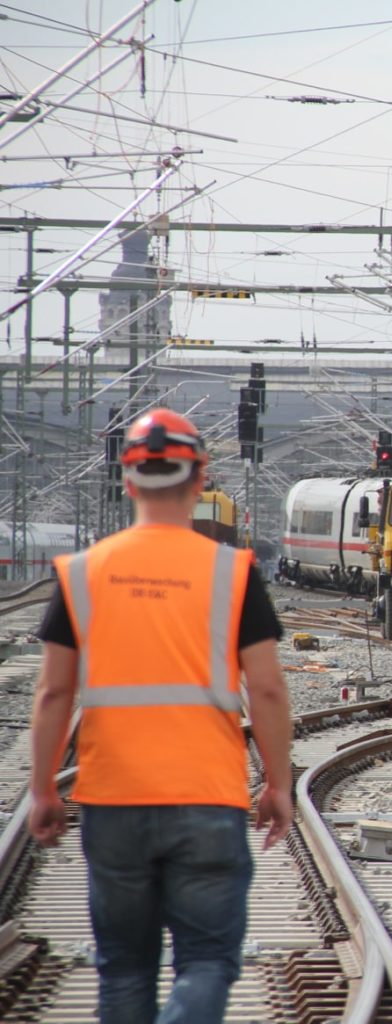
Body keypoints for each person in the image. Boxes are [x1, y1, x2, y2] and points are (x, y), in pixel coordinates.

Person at [28, 407, 293, 1024]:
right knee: (206, 961)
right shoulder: (233, 573)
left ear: (127, 482)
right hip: (208, 800)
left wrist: (43, 787)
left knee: (123, 968)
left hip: (112, 801)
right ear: (200, 479)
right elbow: (270, 691)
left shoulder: (82, 574)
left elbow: (52, 694)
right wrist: (278, 783)